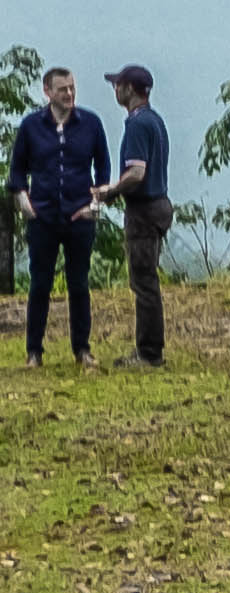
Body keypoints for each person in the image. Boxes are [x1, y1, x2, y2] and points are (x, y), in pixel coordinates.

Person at [10, 64, 109, 367]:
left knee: (78, 284)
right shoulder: (30, 126)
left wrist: (95, 205)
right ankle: (34, 352)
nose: (69, 94)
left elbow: (103, 169)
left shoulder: (91, 124)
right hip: (44, 218)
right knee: (40, 285)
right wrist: (23, 202)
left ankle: (82, 349)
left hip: (79, 217)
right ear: (47, 91)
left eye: (72, 88)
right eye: (62, 89)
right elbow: (16, 172)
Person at [101, 62, 170, 367]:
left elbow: (137, 172)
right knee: (147, 280)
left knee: (143, 283)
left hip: (143, 210)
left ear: (129, 89)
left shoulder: (137, 124)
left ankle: (149, 353)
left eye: (118, 84)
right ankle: (149, 349)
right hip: (159, 206)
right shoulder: (154, 120)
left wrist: (111, 191)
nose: (115, 89)